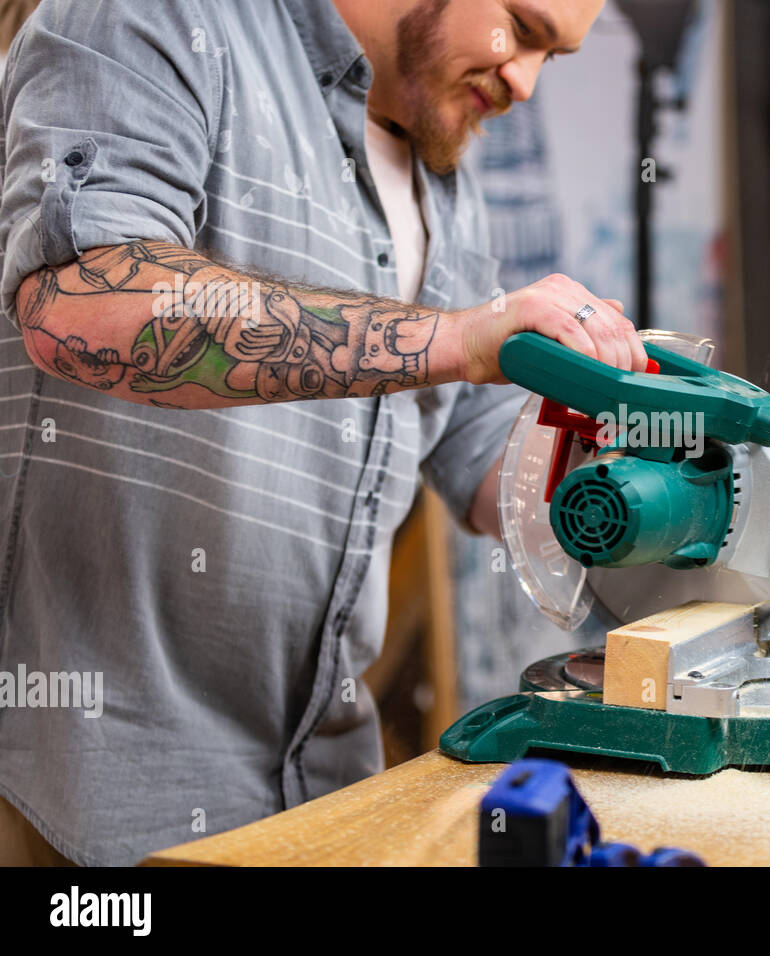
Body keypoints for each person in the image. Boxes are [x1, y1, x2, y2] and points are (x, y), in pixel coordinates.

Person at [0, 0, 644, 865]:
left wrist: (668, 495)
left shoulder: (437, 170)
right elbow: (88, 302)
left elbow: (486, 453)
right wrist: (453, 337)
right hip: (77, 794)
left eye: (552, 58)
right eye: (522, 30)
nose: (525, 80)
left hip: (315, 794)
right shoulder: (153, 20)